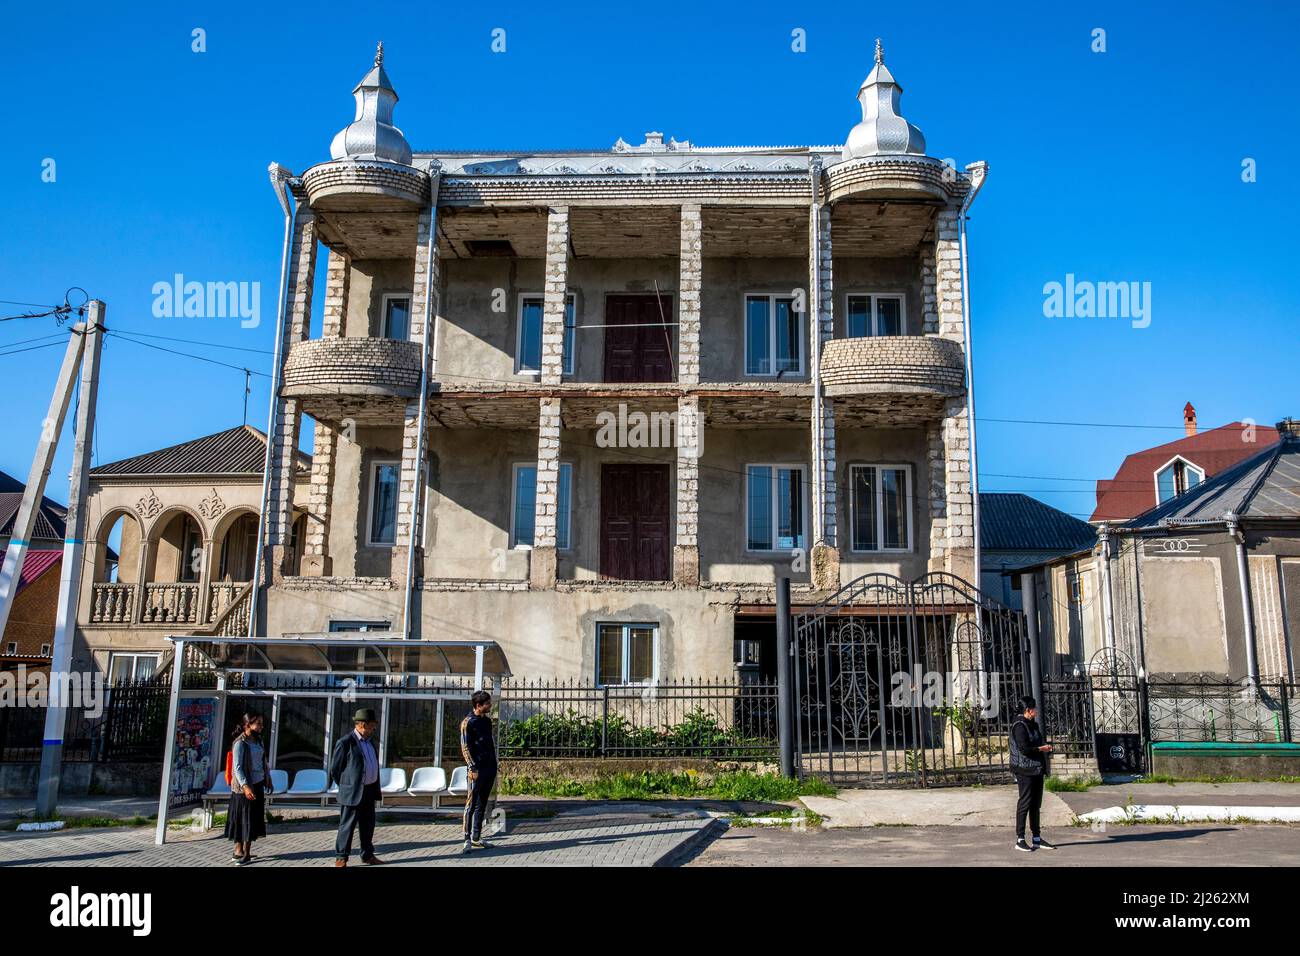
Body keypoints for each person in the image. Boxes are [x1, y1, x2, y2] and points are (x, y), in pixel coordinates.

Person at [329, 707, 386, 867]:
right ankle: (341, 858)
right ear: (363, 724)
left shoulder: (369, 742)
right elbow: (335, 769)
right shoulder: (345, 742)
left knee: (368, 825)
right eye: (372, 724)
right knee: (347, 826)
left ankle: (367, 855)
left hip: (368, 790)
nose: (374, 727)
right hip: (352, 791)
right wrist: (348, 785)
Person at [1010, 695, 1056, 851]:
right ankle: (1020, 839)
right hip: (1024, 770)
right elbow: (1024, 749)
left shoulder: (1032, 724)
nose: (1036, 711)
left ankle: (1037, 837)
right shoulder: (1019, 726)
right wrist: (1041, 749)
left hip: (1036, 769)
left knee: (1035, 805)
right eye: (1034, 708)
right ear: (1028, 710)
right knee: (1025, 803)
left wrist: (1044, 748)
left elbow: (1037, 743)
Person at [225, 713, 272, 865]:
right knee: (243, 819)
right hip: (243, 788)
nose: (261, 726)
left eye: (261, 724)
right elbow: (237, 768)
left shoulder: (258, 741)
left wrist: (267, 778)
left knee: (252, 818)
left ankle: (241, 851)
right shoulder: (240, 743)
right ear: (248, 725)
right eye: (258, 724)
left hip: (257, 783)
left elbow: (263, 761)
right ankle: (244, 852)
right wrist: (245, 786)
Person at [459, 690, 498, 853]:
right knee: (471, 803)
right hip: (476, 770)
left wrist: (495, 763)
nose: (490, 706)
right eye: (487, 703)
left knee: (482, 804)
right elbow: (465, 747)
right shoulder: (468, 722)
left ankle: (476, 837)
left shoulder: (487, 722)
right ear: (478, 705)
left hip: (490, 768)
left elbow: (490, 743)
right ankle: (466, 838)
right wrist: (472, 767)